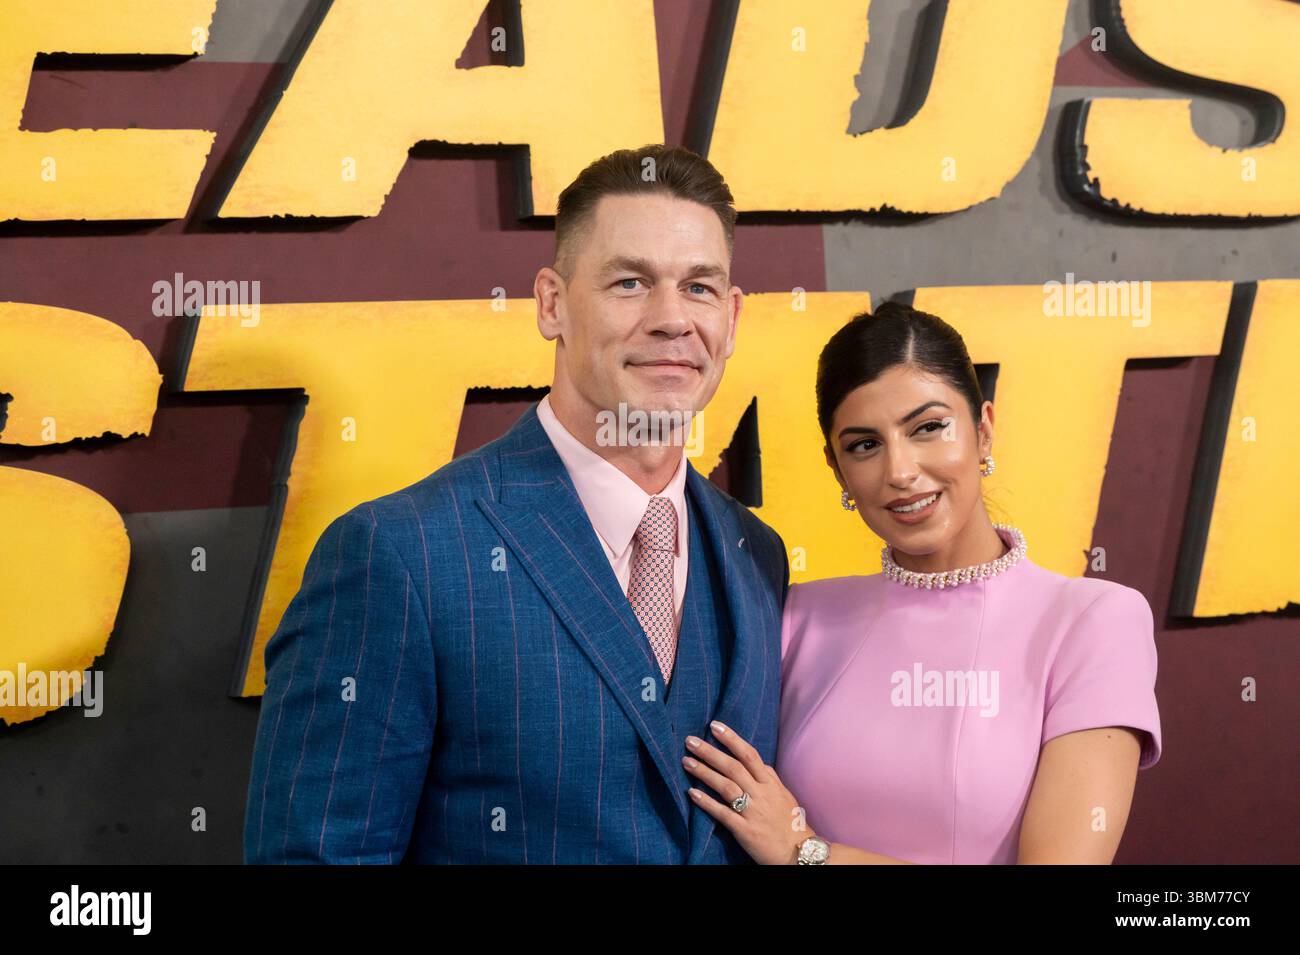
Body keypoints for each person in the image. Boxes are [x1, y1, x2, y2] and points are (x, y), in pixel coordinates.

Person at [243, 144, 788, 864]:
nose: (671, 319)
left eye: (699, 287)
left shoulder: (758, 552)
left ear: (733, 315)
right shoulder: (399, 553)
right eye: (630, 283)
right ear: (551, 303)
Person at [680, 301, 1162, 864]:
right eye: (864, 445)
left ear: (984, 431)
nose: (901, 471)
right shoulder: (795, 617)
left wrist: (804, 853)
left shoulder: (1093, 622)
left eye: (929, 428)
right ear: (838, 469)